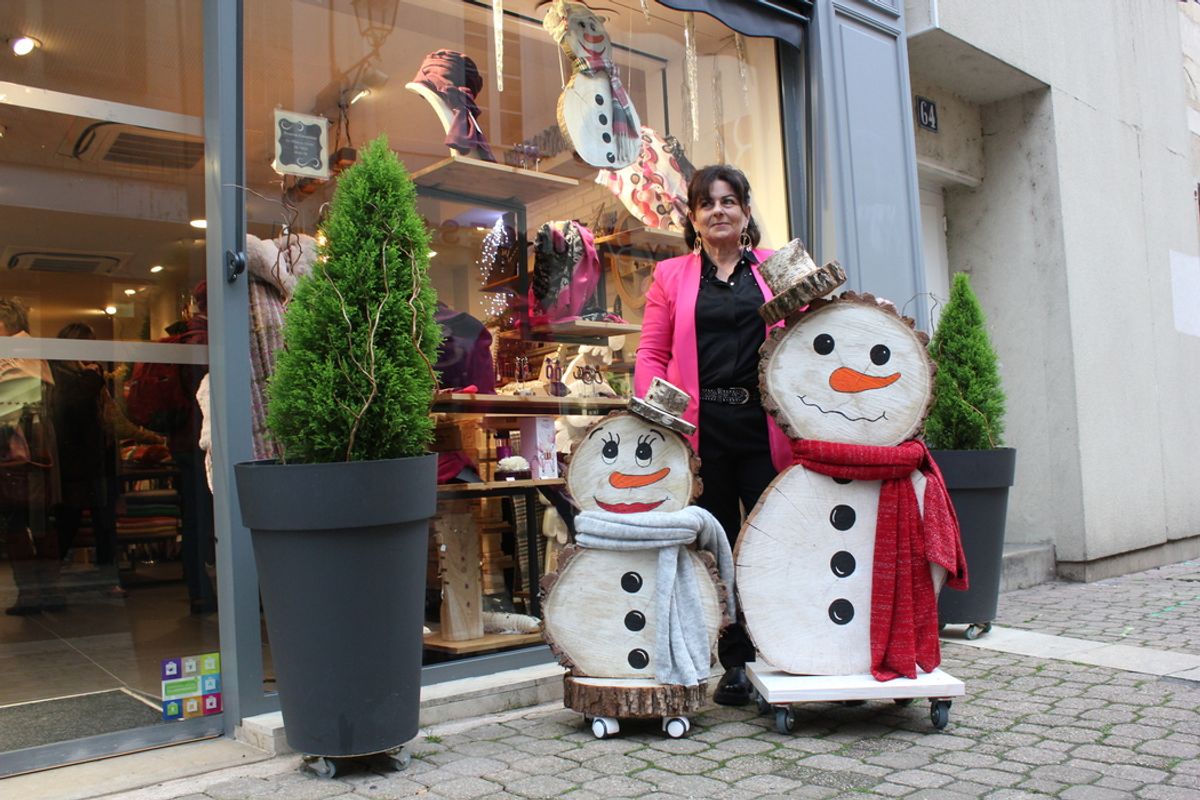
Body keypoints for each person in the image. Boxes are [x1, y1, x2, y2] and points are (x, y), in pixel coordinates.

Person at [634, 165, 792, 705]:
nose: (718, 210)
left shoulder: (776, 267)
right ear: (694, 217)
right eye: (707, 203)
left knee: (774, 541)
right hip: (704, 434)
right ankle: (735, 662)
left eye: (729, 201)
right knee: (715, 547)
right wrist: (659, 420)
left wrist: (870, 312)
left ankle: (787, 649)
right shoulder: (670, 276)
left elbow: (819, 321)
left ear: (746, 211)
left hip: (765, 426)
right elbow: (651, 354)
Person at [0, 298, 60, 615]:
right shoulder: (32, 353)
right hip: (37, 448)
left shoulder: (15, 354)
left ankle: (32, 594)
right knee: (40, 521)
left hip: (19, 451)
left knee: (17, 521)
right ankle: (49, 592)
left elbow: (10, 406)